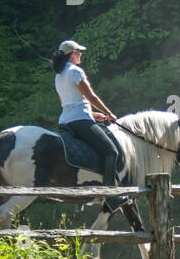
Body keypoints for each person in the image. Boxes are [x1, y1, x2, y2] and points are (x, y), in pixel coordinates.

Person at [50, 39, 128, 208]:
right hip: (80, 122)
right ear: (72, 54)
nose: (80, 54)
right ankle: (111, 195)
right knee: (111, 152)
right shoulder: (75, 71)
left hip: (65, 122)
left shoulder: (59, 76)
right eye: (78, 52)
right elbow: (92, 97)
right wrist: (108, 113)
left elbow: (67, 103)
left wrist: (93, 114)